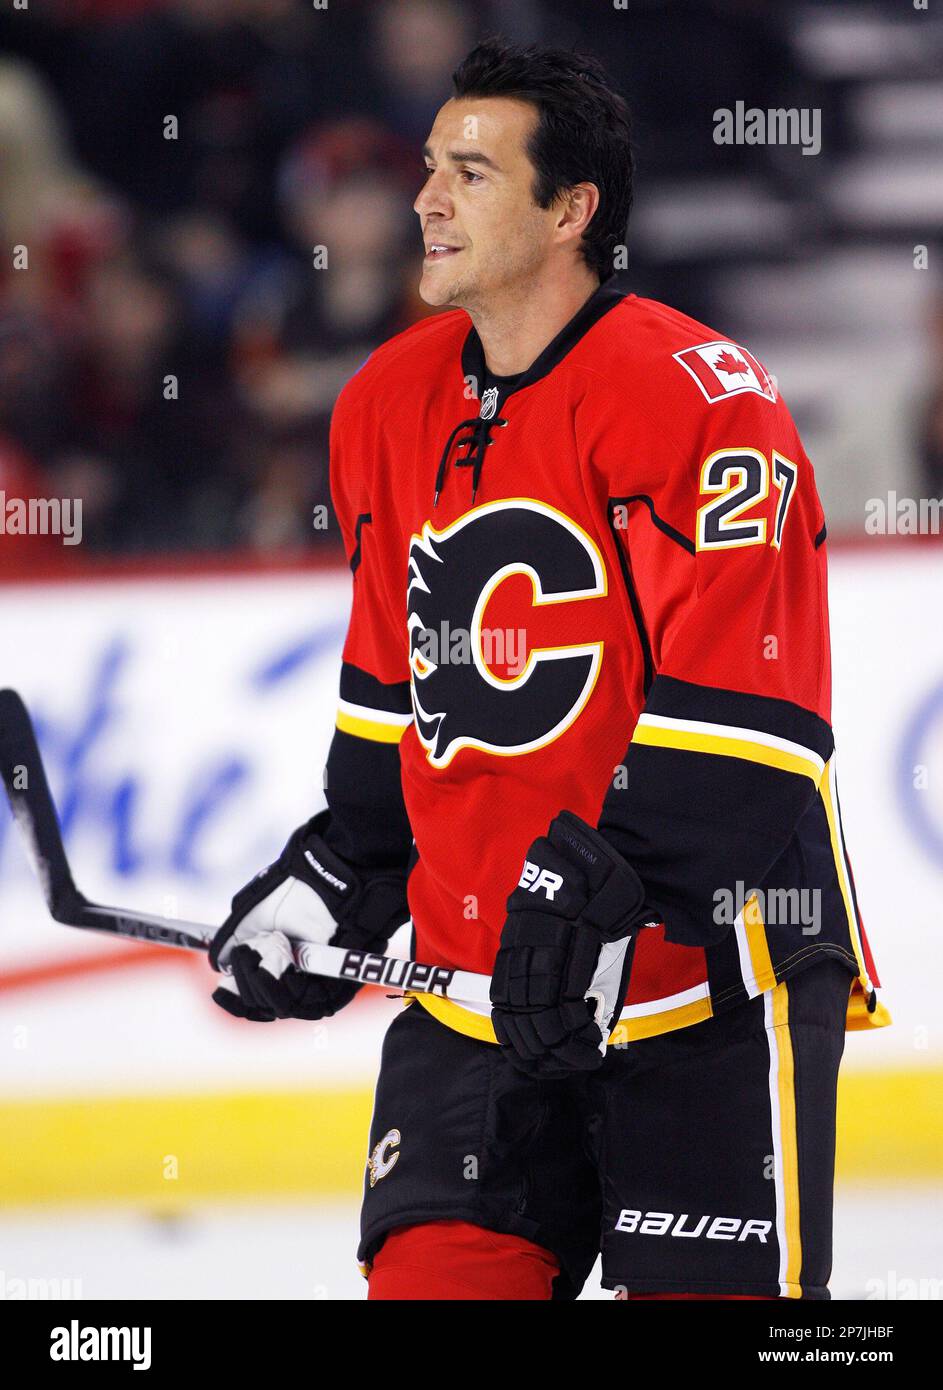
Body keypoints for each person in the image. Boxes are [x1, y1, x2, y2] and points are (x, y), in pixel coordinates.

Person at [209, 37, 888, 1302]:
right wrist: (336, 874)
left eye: (470, 172)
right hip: (474, 1018)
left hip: (708, 1001)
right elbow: (395, 699)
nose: (425, 199)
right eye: (427, 167)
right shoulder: (379, 406)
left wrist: (576, 904)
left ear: (571, 210)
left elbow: (757, 731)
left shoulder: (704, 398)